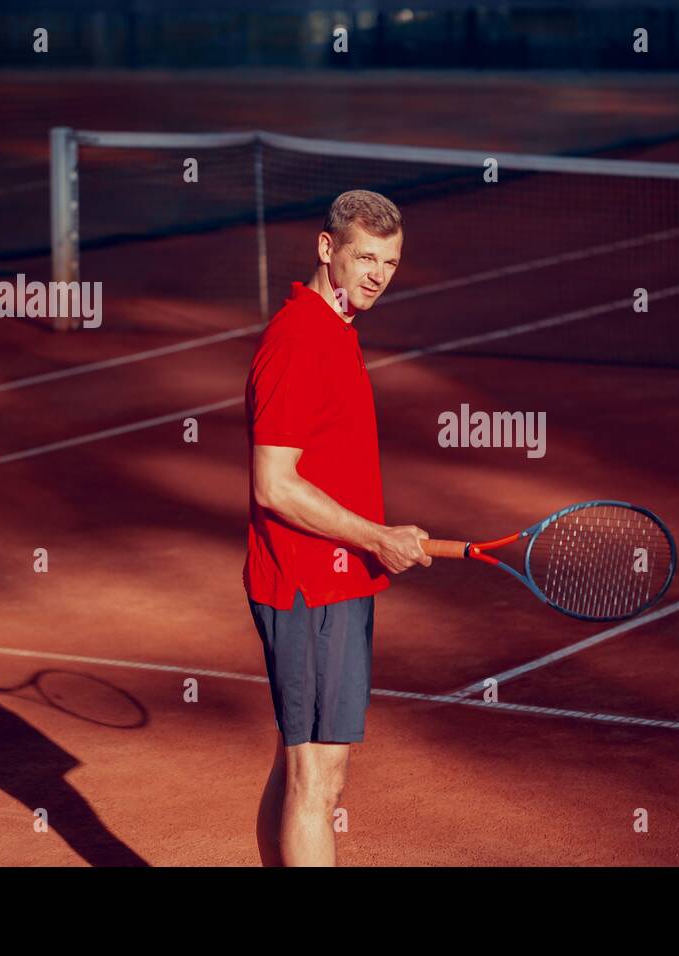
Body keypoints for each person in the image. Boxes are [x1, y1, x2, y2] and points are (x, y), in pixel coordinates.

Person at [243, 189, 430, 866]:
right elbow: (274, 485)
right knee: (314, 778)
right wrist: (376, 538)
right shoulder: (299, 341)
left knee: (309, 767)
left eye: (391, 261)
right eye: (366, 257)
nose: (379, 273)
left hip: (336, 583)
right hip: (308, 587)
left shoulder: (335, 328)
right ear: (329, 249)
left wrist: (368, 546)